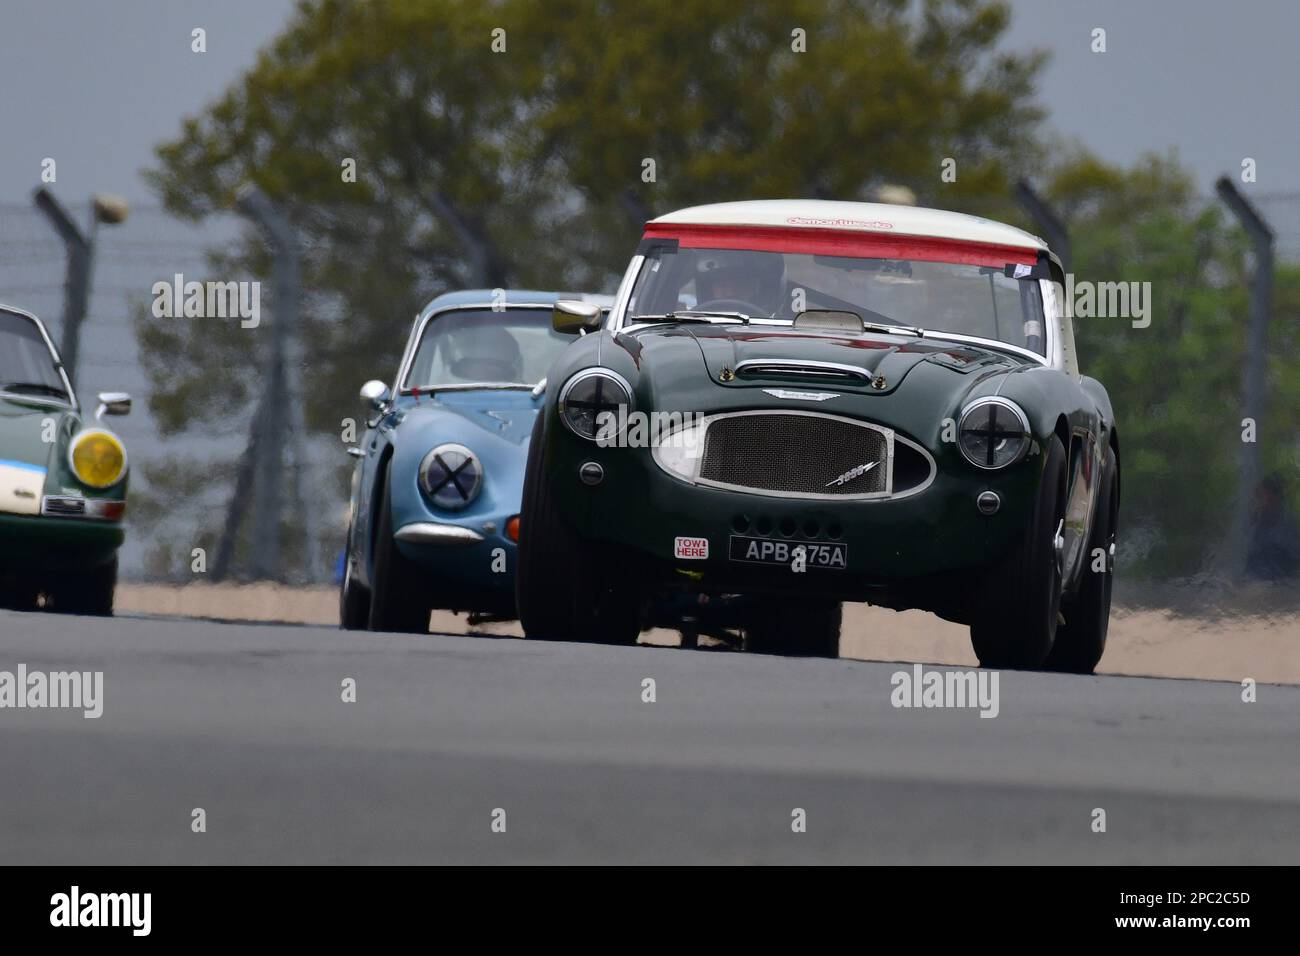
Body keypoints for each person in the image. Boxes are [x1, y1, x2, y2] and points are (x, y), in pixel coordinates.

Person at [1245, 474, 1300, 581]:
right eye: (1257, 496)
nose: (1258, 500)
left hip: (1280, 583)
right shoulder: (1257, 520)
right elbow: (1250, 553)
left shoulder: (1288, 522)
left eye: (1261, 495)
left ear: (1274, 496)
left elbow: (1295, 555)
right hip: (1254, 581)